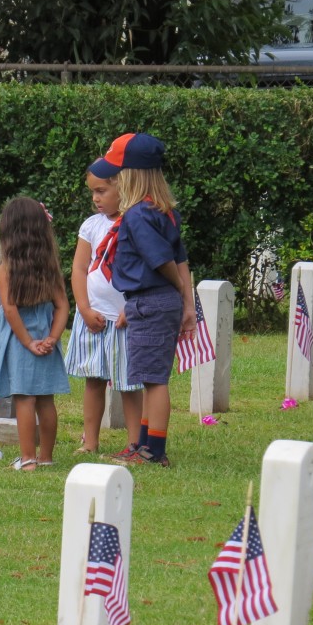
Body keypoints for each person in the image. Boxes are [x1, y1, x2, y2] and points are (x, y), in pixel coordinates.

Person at [90, 133, 194, 467]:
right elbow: (182, 258)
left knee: (154, 380)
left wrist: (178, 289)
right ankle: (144, 445)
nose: (115, 178)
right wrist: (186, 303)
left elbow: (163, 259)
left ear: (132, 175)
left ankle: (153, 451)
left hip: (150, 300)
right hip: (152, 302)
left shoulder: (136, 215)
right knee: (149, 377)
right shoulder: (163, 211)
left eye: (118, 172)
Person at [0, 196, 70, 471]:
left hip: (21, 339)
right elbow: (63, 305)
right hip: (46, 335)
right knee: (45, 399)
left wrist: (28, 342)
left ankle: (28, 458)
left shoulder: (6, 269)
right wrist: (52, 338)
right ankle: (46, 457)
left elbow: (10, 310)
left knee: (24, 398)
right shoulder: (49, 267)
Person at [65, 165, 143, 457]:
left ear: (122, 187)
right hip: (94, 317)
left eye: (102, 191)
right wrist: (83, 308)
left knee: (130, 383)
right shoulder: (92, 225)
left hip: (124, 319)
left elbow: (142, 269)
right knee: (94, 380)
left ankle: (135, 443)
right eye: (92, 192)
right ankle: (90, 442)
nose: (96, 198)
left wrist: (132, 308)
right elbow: (80, 268)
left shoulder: (135, 222)